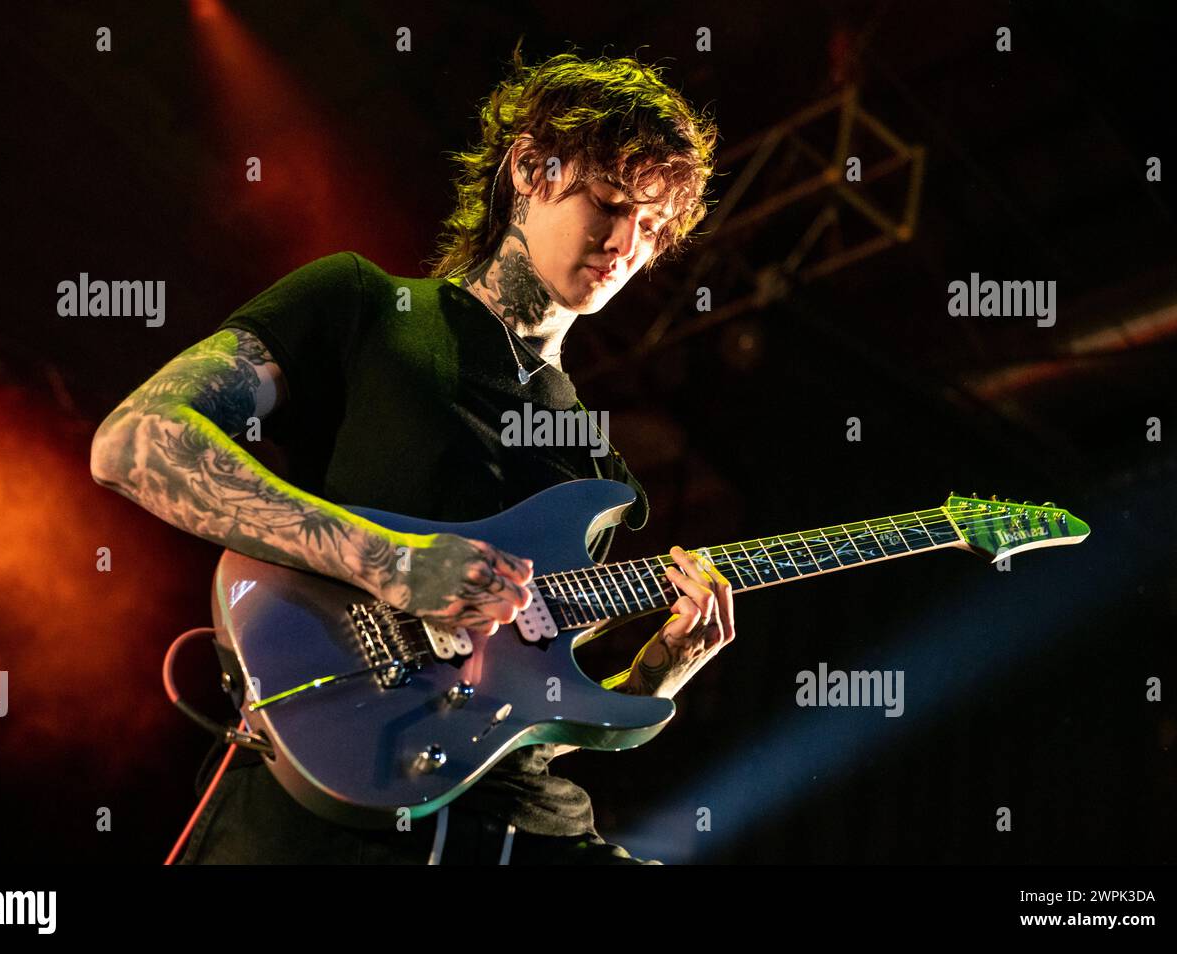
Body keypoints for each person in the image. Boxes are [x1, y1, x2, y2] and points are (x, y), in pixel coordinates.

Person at [91, 45, 730, 865]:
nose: (628, 246)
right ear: (532, 167)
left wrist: (653, 680)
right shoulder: (366, 308)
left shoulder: (599, 470)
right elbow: (136, 439)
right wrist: (387, 561)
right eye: (609, 203)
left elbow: (508, 717)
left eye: (652, 227)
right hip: (326, 807)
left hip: (519, 821)